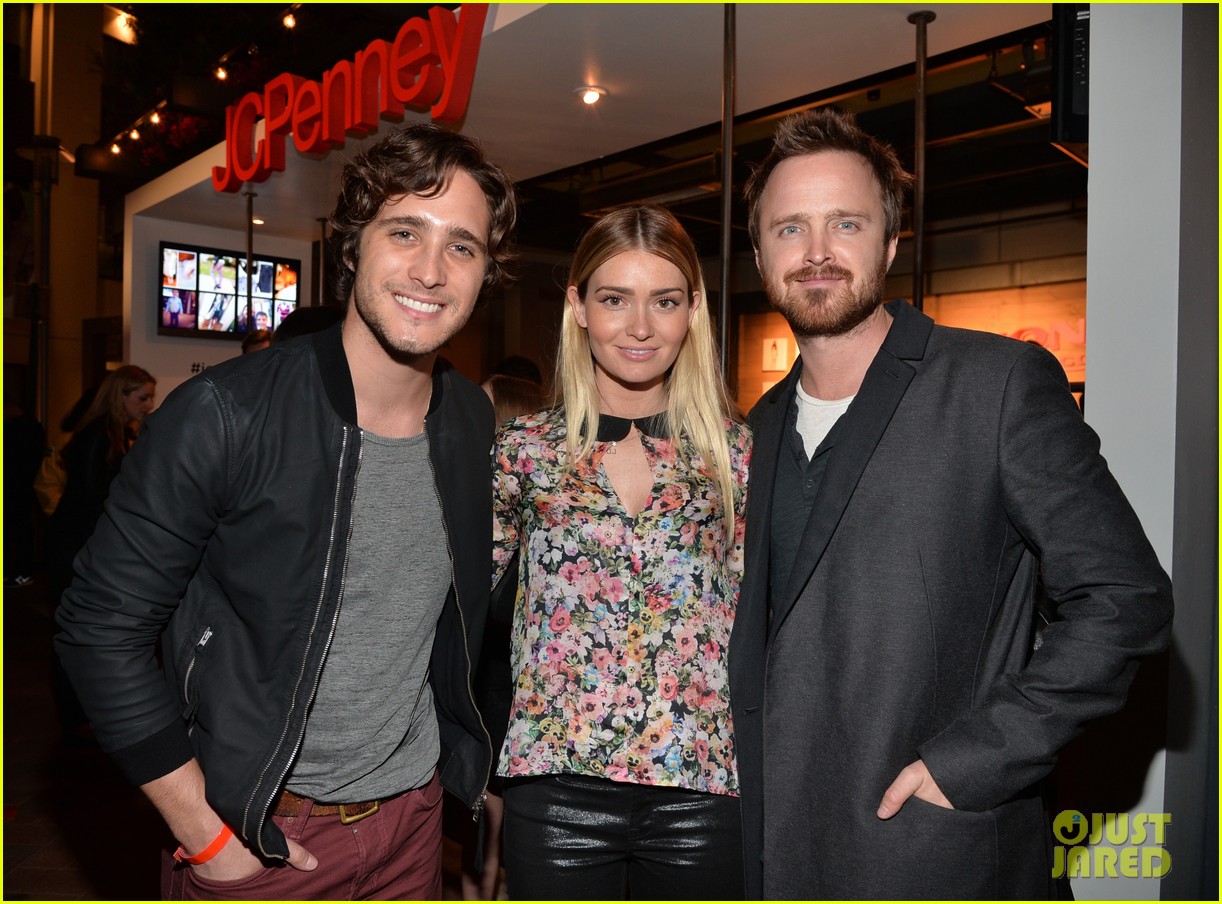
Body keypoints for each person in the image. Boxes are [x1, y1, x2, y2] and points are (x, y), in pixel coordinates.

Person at [56, 122, 518, 900]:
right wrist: (207, 838)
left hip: (414, 826)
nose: (432, 270)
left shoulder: (472, 422)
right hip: (263, 841)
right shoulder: (224, 415)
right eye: (405, 231)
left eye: (462, 247)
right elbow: (99, 628)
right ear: (352, 247)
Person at [730, 106, 1174, 899]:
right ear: (760, 252)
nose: (818, 252)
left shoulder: (995, 385)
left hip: (935, 856)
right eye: (790, 229)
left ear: (892, 243)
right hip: (777, 857)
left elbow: (1125, 598)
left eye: (846, 224)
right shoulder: (750, 433)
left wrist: (971, 762)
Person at [492, 204, 751, 899]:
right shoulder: (525, 451)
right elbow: (449, 609)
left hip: (703, 785)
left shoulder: (737, 455)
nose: (640, 326)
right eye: (615, 299)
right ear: (577, 306)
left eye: (664, 301)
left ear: (692, 310)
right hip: (555, 793)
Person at [46, 365, 156, 738]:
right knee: (73, 630)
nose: (148, 405)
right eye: (142, 397)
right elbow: (93, 497)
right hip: (73, 544)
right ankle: (75, 717)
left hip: (79, 542)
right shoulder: (98, 436)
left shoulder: (112, 434)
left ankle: (80, 715)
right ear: (120, 395)